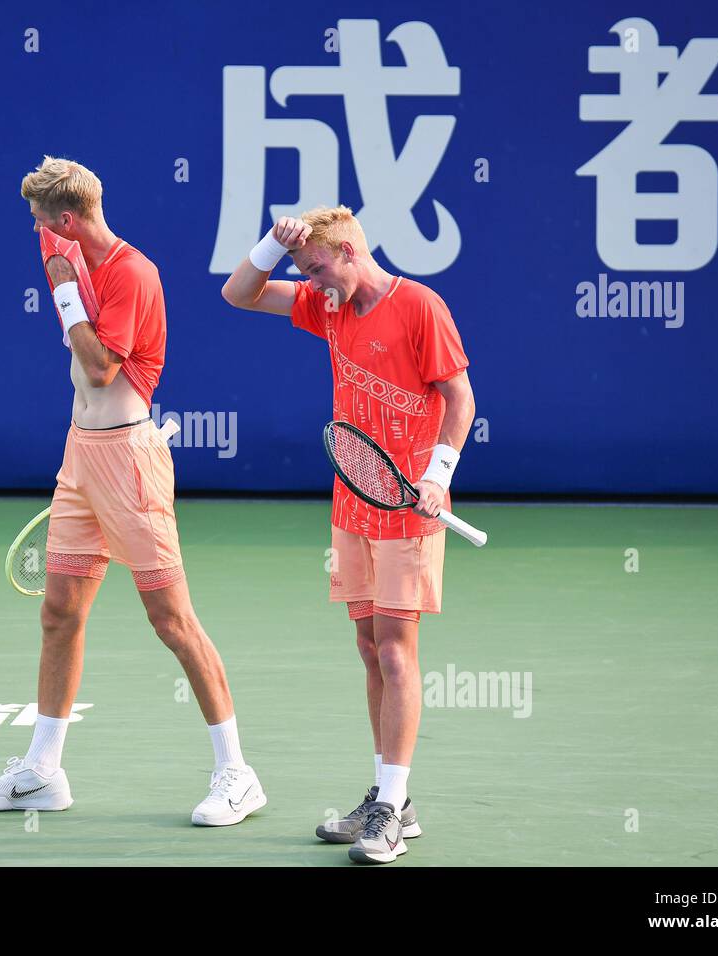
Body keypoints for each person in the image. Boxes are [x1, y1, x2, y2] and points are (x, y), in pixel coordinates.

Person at [0, 157, 265, 826]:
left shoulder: (133, 274)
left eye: (43, 222)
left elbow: (99, 369)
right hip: (78, 458)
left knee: (171, 621)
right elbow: (54, 235)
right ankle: (42, 772)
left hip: (128, 459)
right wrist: (58, 249)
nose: (38, 232)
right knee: (59, 611)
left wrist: (66, 291)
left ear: (68, 221)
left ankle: (237, 774)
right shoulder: (58, 239)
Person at [220, 207, 474, 863]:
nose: (313, 281)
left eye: (318, 267)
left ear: (352, 252)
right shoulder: (327, 307)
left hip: (408, 507)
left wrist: (438, 474)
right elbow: (239, 294)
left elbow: (459, 397)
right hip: (352, 502)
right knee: (369, 646)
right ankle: (394, 797)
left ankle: (390, 809)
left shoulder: (419, 305)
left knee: (395, 650)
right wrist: (274, 247)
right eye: (305, 271)